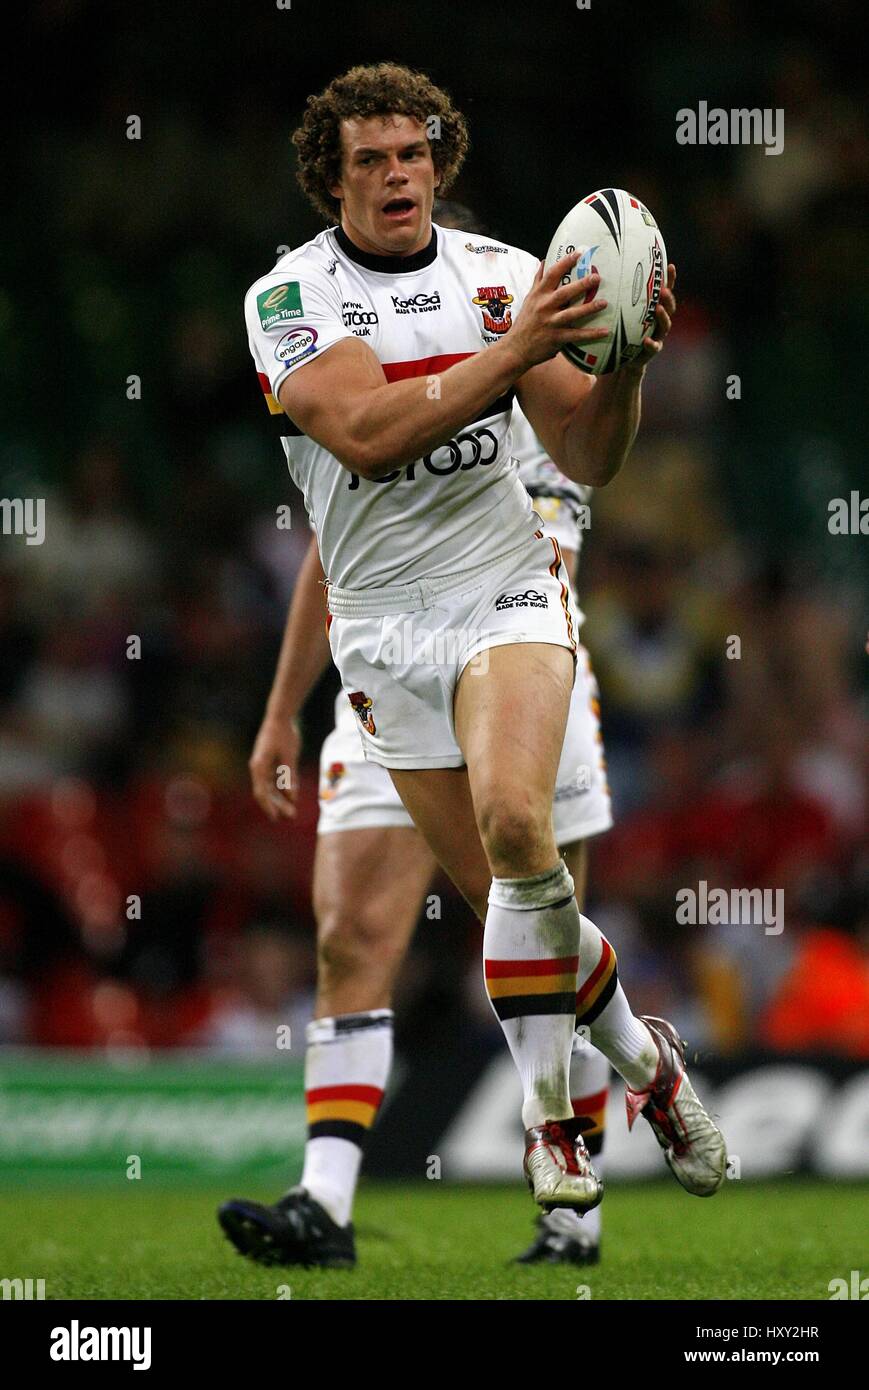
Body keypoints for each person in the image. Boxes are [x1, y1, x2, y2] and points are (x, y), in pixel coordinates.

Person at [219, 62, 726, 1269]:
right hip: (383, 633)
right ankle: (652, 1066)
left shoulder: (502, 277)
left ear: (438, 160)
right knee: (518, 906)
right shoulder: (289, 295)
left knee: (514, 827)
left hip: (503, 587)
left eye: (413, 154)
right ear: (331, 181)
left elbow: (585, 456)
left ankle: (552, 1146)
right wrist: (520, 353)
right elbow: (365, 434)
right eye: (369, 162)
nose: (398, 176)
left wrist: (623, 364)